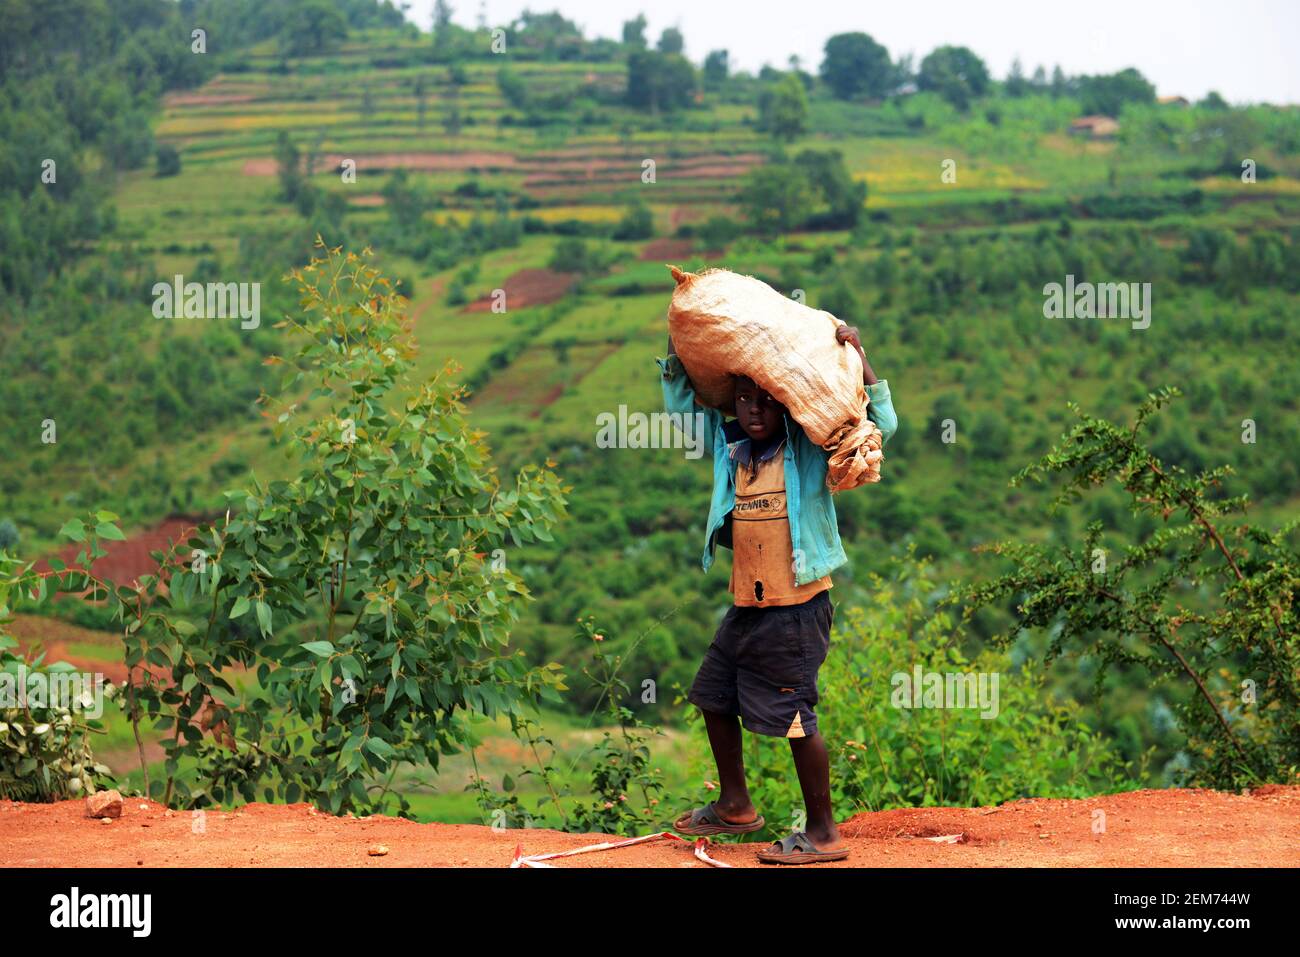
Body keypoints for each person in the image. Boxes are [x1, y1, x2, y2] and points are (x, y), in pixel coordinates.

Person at [657, 322, 897, 863]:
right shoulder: (731, 447)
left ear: (785, 404)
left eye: (767, 400)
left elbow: (881, 424)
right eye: (744, 399)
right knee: (713, 697)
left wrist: (859, 354)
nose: (754, 411)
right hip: (747, 604)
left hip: (797, 609)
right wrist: (676, 340)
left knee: (795, 719)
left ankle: (822, 833)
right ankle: (736, 805)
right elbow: (682, 411)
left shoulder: (808, 449)